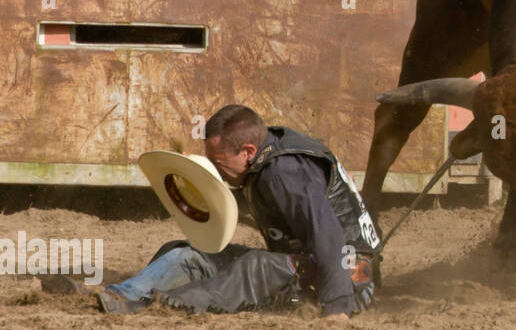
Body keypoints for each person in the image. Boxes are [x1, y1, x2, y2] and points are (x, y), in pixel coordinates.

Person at [99, 105, 382, 318]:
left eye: (219, 164)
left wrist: (336, 307)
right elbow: (255, 208)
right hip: (314, 268)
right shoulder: (266, 161)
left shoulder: (284, 172)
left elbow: (327, 234)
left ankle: (156, 305)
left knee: (256, 266)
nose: (219, 173)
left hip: (347, 282)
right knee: (188, 252)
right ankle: (126, 294)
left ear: (247, 151)